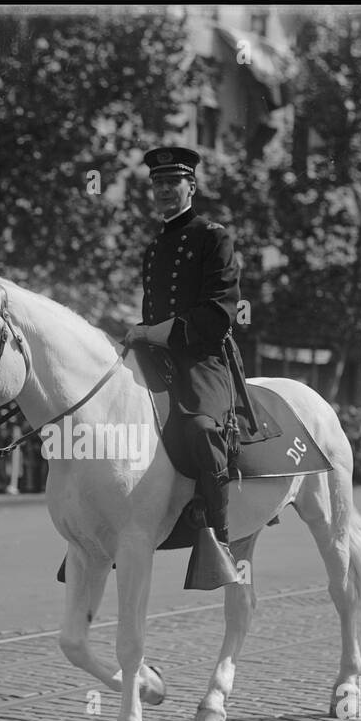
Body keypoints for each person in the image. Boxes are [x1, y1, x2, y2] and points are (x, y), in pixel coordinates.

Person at [123, 145, 256, 589]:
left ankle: (217, 537)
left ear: (191, 187)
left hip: (203, 356)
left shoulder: (213, 236)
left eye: (172, 183)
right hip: (157, 354)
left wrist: (152, 333)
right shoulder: (154, 247)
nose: (163, 190)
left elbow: (219, 314)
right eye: (157, 184)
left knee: (200, 428)